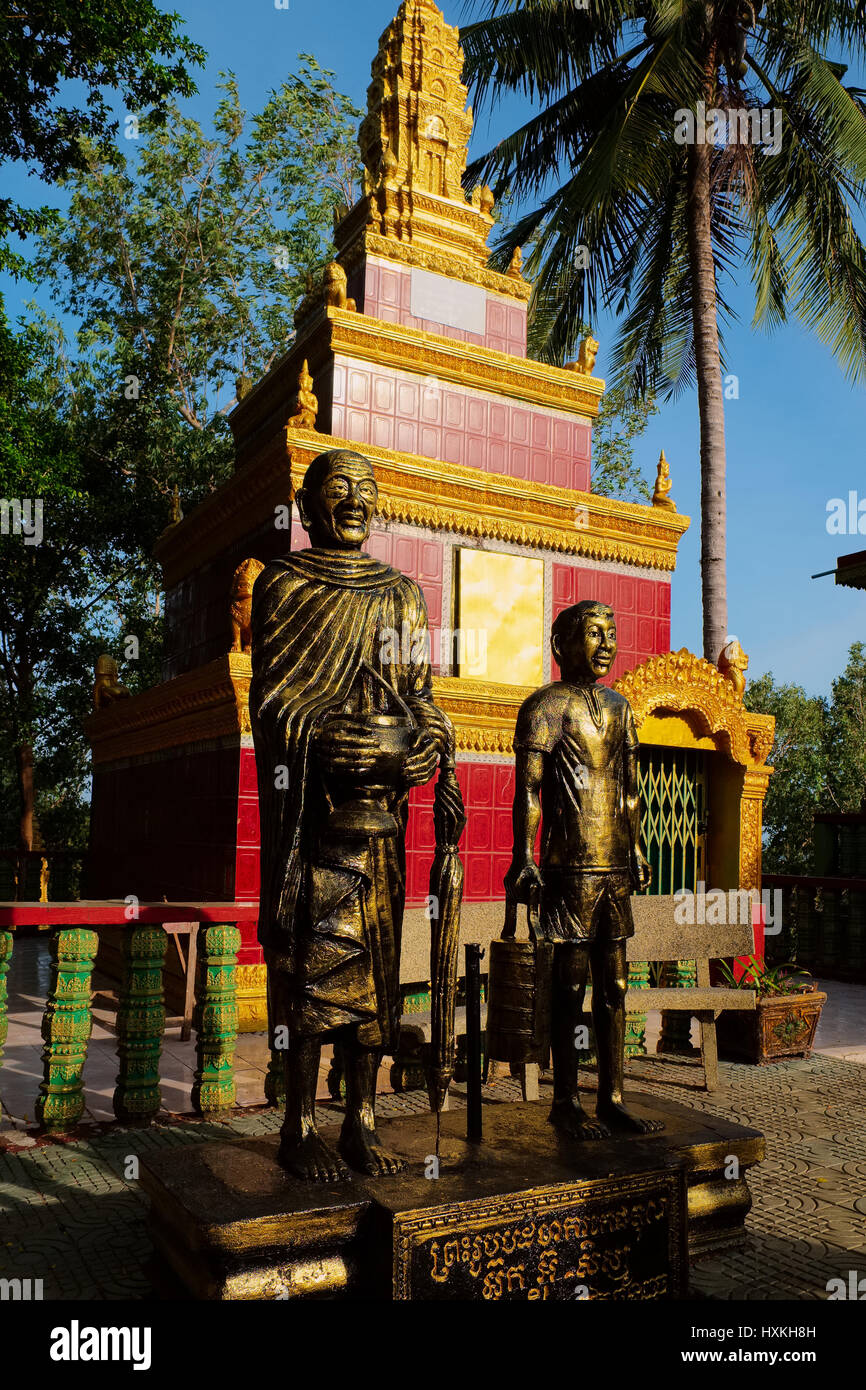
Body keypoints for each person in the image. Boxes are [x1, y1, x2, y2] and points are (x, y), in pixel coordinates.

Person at [250, 448, 450, 1180]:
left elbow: (420, 696)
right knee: (312, 971)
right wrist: (324, 736)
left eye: (367, 490)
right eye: (339, 490)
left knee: (378, 978)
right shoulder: (286, 584)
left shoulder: (401, 595)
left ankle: (362, 1117)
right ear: (307, 508)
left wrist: (423, 744)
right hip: (316, 819)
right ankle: (299, 1123)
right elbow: (271, 701)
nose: (356, 501)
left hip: (381, 826)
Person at [505, 599, 664, 1139]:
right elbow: (528, 790)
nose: (606, 643)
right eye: (593, 632)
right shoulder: (545, 707)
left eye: (611, 633)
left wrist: (636, 848)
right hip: (568, 872)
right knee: (570, 987)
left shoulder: (621, 709)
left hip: (614, 867)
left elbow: (631, 791)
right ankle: (567, 1100)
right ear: (561, 646)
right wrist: (524, 856)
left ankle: (613, 1096)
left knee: (615, 984)